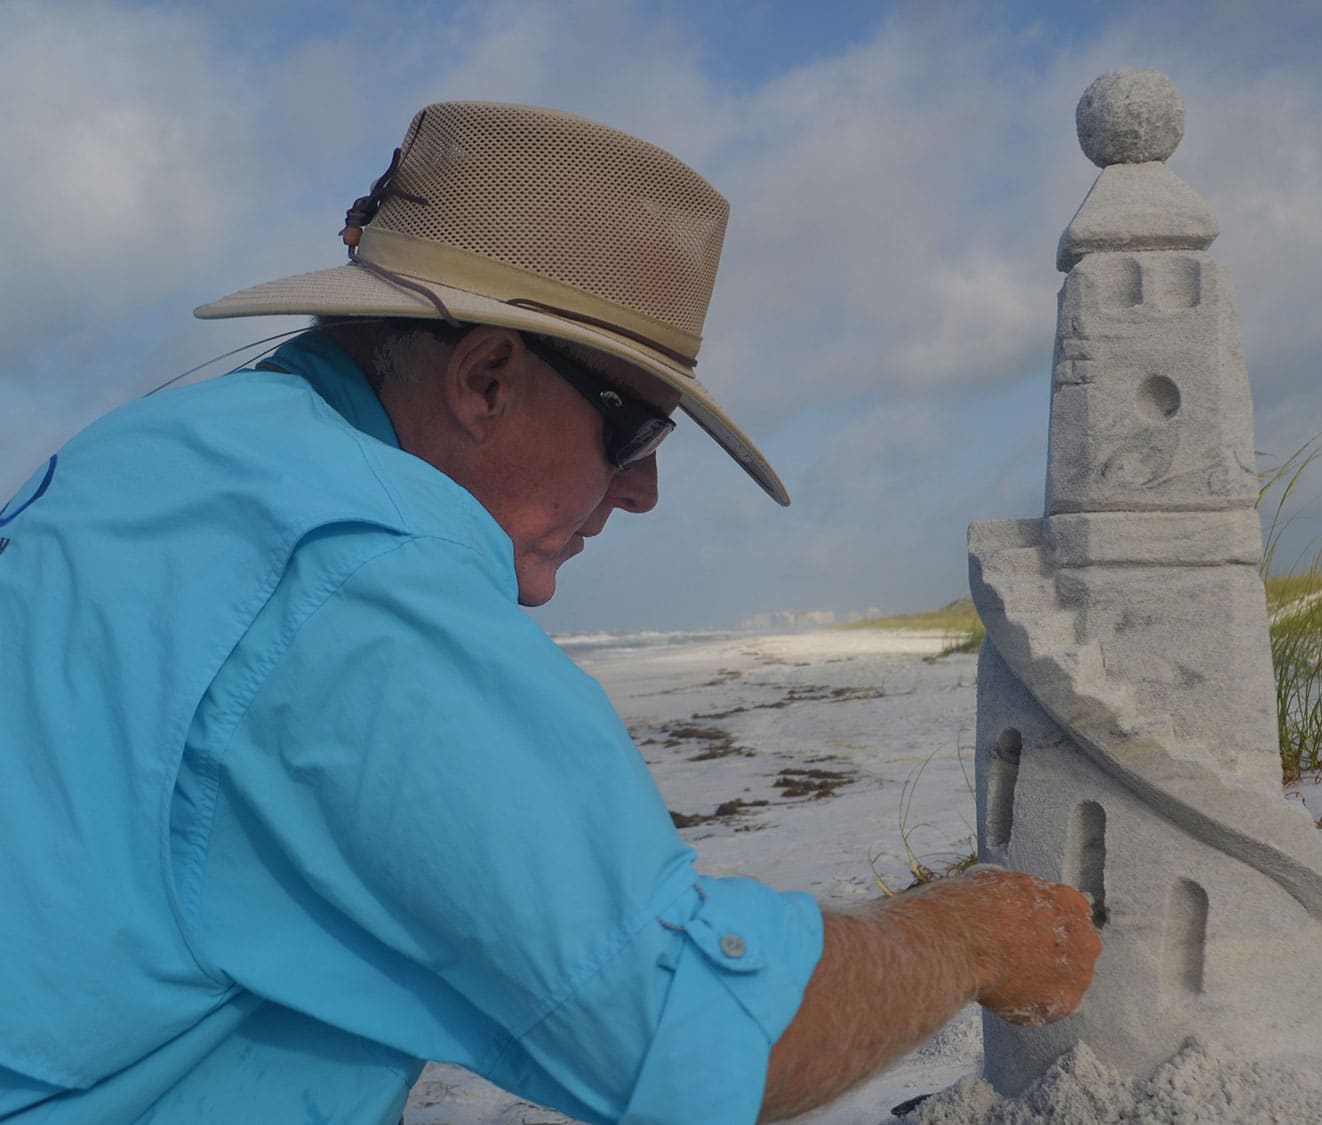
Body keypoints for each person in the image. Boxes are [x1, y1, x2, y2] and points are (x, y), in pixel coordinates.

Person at [0, 102, 1098, 1124]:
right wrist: (971, 934)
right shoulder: (358, 582)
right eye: (638, 437)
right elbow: (694, 1033)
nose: (643, 492)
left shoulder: (145, 458)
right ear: (484, 378)